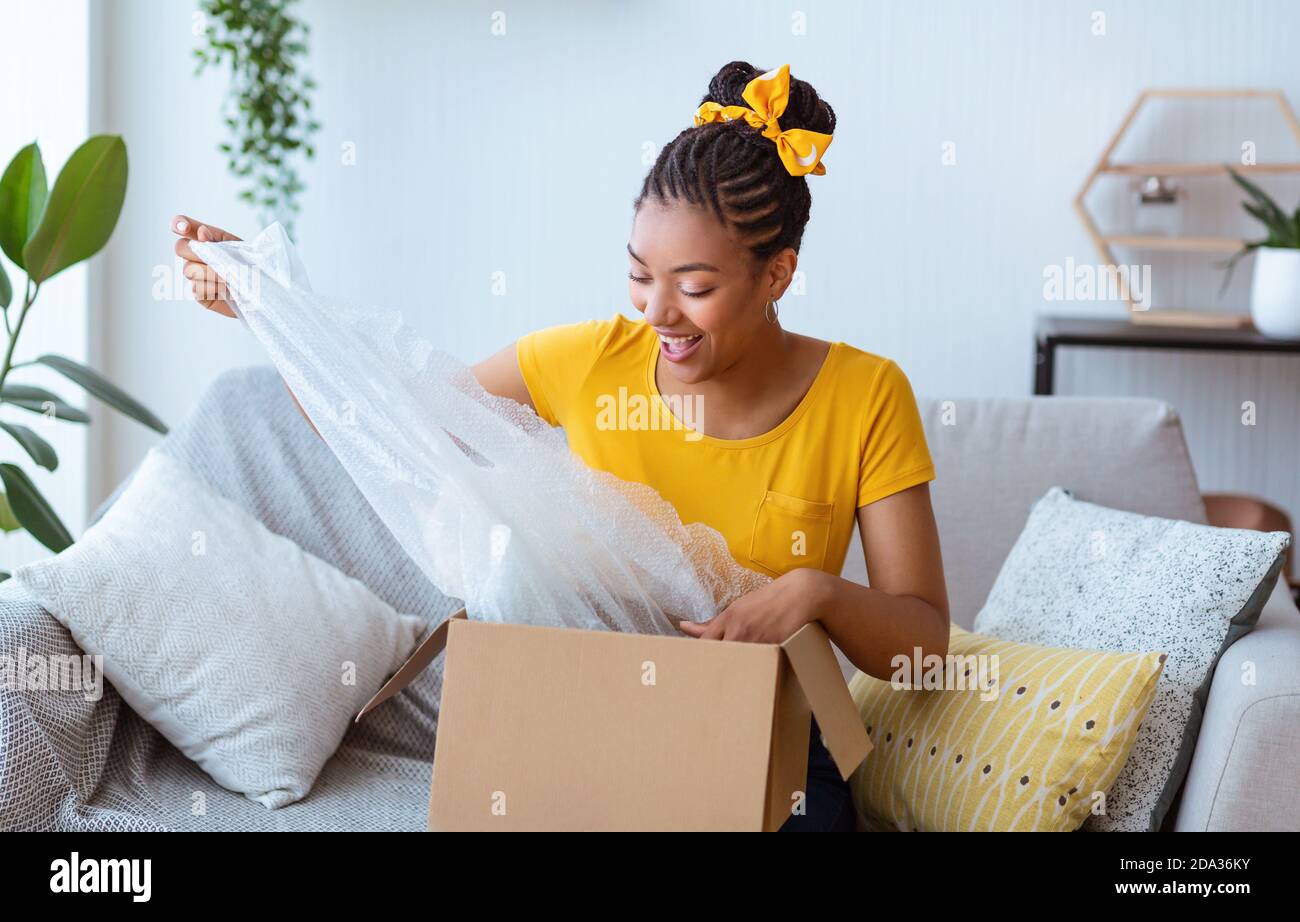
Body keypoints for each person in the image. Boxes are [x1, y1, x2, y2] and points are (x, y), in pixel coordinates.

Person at [171, 61, 949, 832]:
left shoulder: (865, 395)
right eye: (641, 275)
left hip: (766, 748)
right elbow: (387, 421)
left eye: (695, 287)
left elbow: (923, 648)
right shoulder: (585, 362)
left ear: (777, 275)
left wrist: (815, 593)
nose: (657, 312)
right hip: (589, 737)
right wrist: (267, 308)